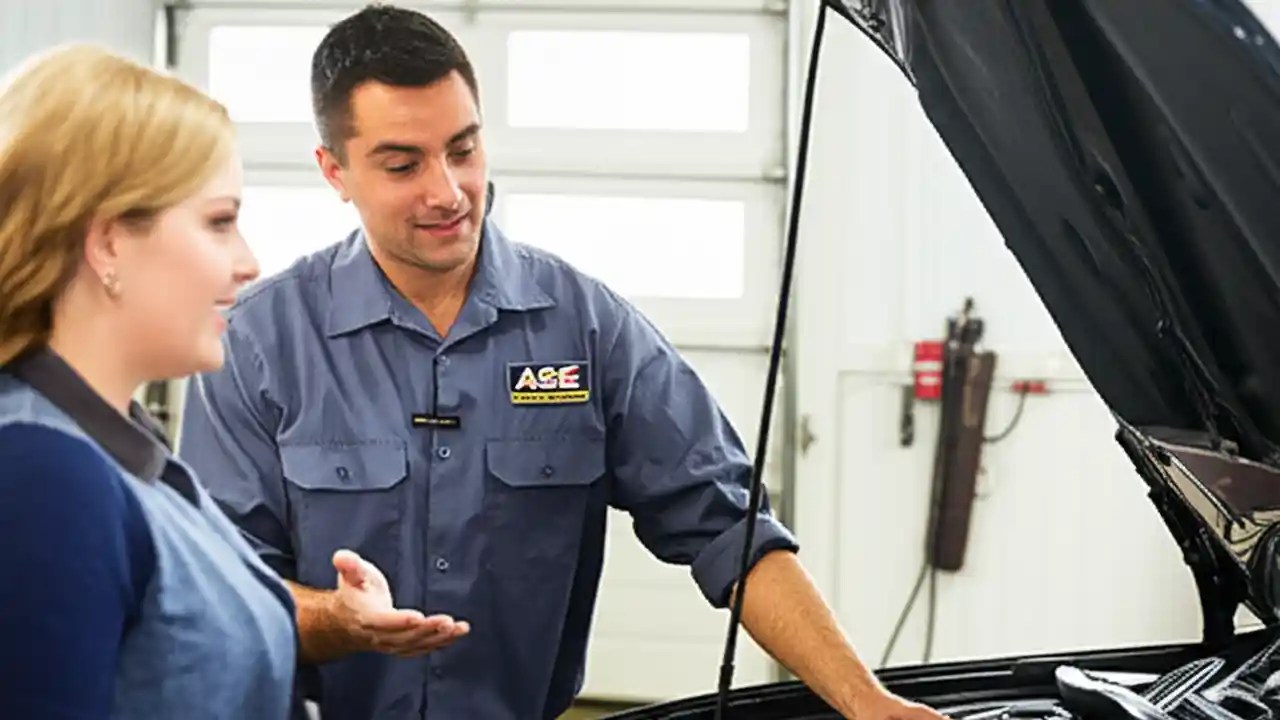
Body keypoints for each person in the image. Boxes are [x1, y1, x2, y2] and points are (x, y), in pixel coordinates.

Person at [177, 5, 950, 720]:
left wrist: (866, 701)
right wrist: (334, 622)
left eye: (463, 149)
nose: (449, 192)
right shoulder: (256, 344)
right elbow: (223, 596)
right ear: (334, 170)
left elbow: (731, 530)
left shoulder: (587, 329)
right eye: (402, 164)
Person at [0, 44, 299, 720]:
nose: (248, 262)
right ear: (107, 241)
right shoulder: (43, 476)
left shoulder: (120, 452)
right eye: (219, 221)